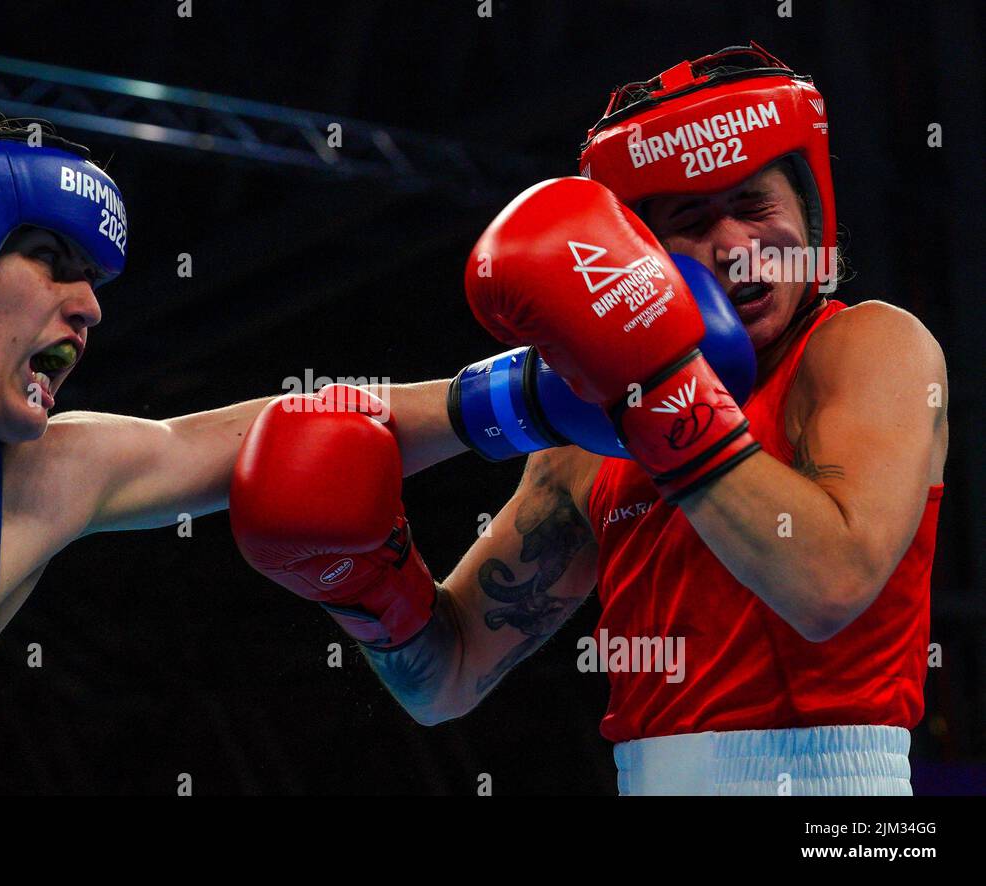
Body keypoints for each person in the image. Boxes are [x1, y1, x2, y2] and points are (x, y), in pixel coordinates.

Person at [232, 42, 948, 795]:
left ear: (807, 206)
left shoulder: (867, 346)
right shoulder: (587, 435)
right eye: (694, 220)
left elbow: (829, 585)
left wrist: (662, 390)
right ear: (638, 254)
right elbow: (445, 683)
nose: (735, 246)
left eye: (752, 205)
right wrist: (367, 591)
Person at [0, 124, 477, 795]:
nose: (90, 306)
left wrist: (536, 394)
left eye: (93, 280)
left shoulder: (27, 492)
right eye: (51, 259)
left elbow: (292, 429)